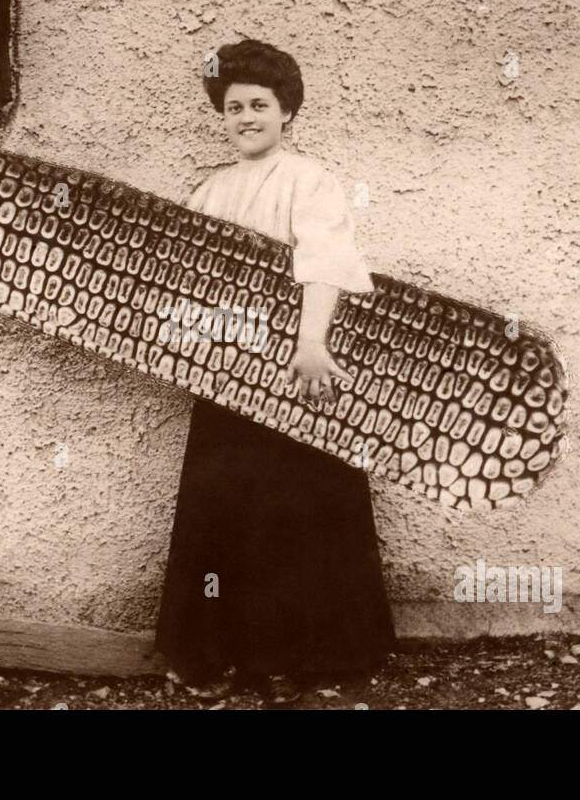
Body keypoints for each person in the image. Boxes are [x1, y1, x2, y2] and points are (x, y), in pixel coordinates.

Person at [155, 39, 396, 705]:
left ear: (286, 110)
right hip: (228, 375)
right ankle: (218, 652)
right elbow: (187, 279)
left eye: (259, 104)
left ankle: (297, 654)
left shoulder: (309, 180)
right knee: (225, 512)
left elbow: (324, 260)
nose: (246, 117)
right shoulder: (211, 187)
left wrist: (312, 341)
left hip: (294, 372)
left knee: (291, 514)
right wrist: (187, 348)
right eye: (234, 106)